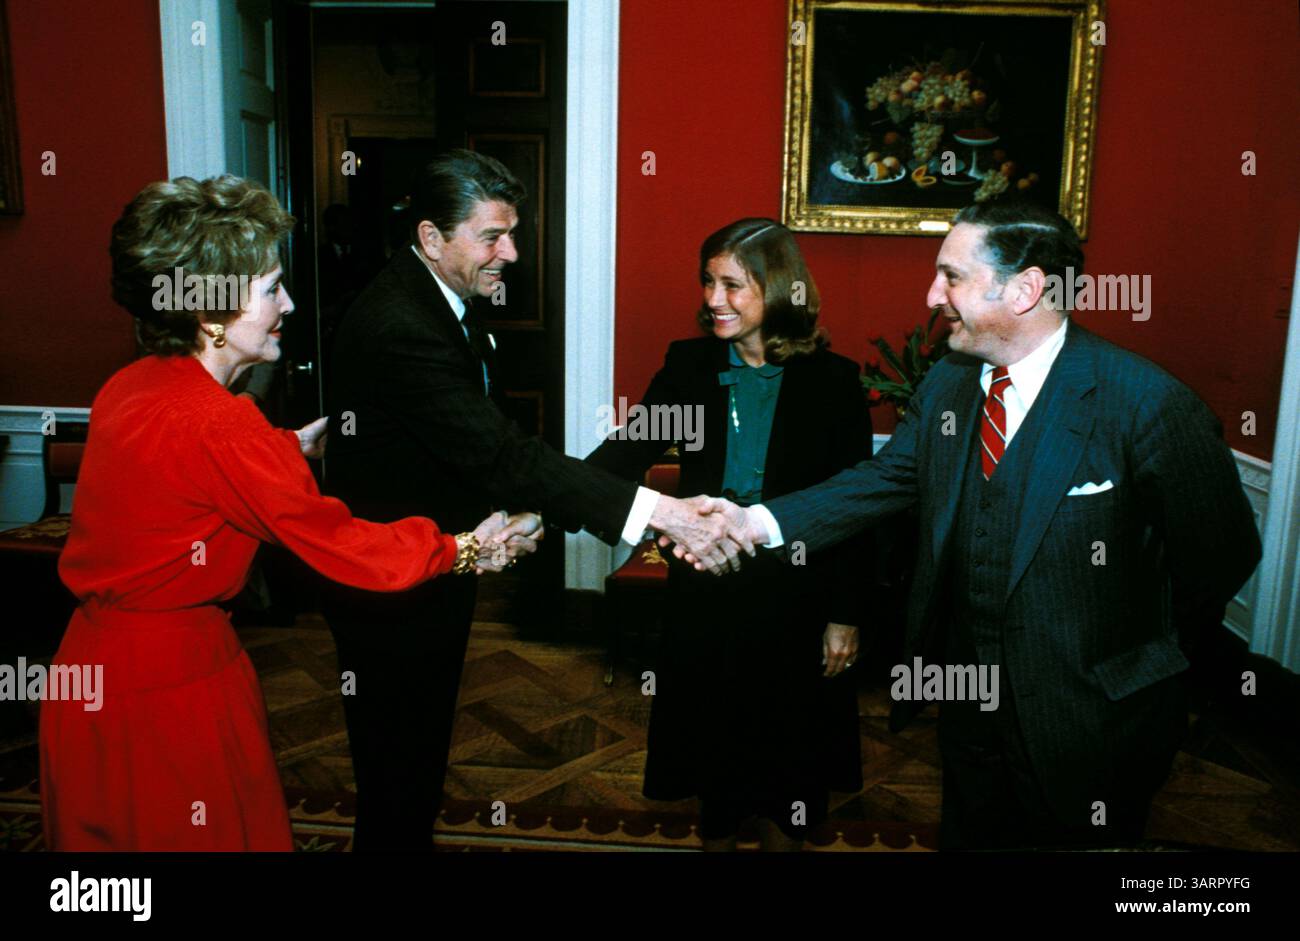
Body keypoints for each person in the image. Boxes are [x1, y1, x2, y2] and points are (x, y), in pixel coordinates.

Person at [680, 200, 1262, 850]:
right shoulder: (950, 386)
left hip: (1089, 718)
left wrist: (1123, 658)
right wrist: (752, 522)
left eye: (951, 276)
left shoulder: (1146, 404)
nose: (933, 294)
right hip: (968, 706)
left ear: (1026, 288)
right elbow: (879, 482)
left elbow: (1219, 557)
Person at [39, 175, 533, 852]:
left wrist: (284, 448)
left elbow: (175, 479)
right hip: (171, 690)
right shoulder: (227, 429)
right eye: (271, 287)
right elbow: (346, 547)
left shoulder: (132, 385)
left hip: (90, 674)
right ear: (210, 312)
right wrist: (466, 548)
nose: (289, 303)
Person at [321, 149, 738, 851]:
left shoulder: (445, 306)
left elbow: (480, 441)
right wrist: (657, 511)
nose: (510, 252)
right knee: (396, 770)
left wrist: (519, 517)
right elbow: (503, 454)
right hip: (387, 589)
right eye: (492, 235)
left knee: (415, 763)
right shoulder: (402, 324)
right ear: (431, 238)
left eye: (511, 233)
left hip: (433, 569)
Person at [585, 219, 870, 851]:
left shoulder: (834, 381)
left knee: (788, 760)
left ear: (778, 289)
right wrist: (544, 498)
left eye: (733, 285)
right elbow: (623, 454)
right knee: (713, 751)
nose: (714, 298)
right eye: (708, 281)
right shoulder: (688, 366)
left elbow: (856, 512)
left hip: (795, 593)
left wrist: (844, 616)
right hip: (707, 586)